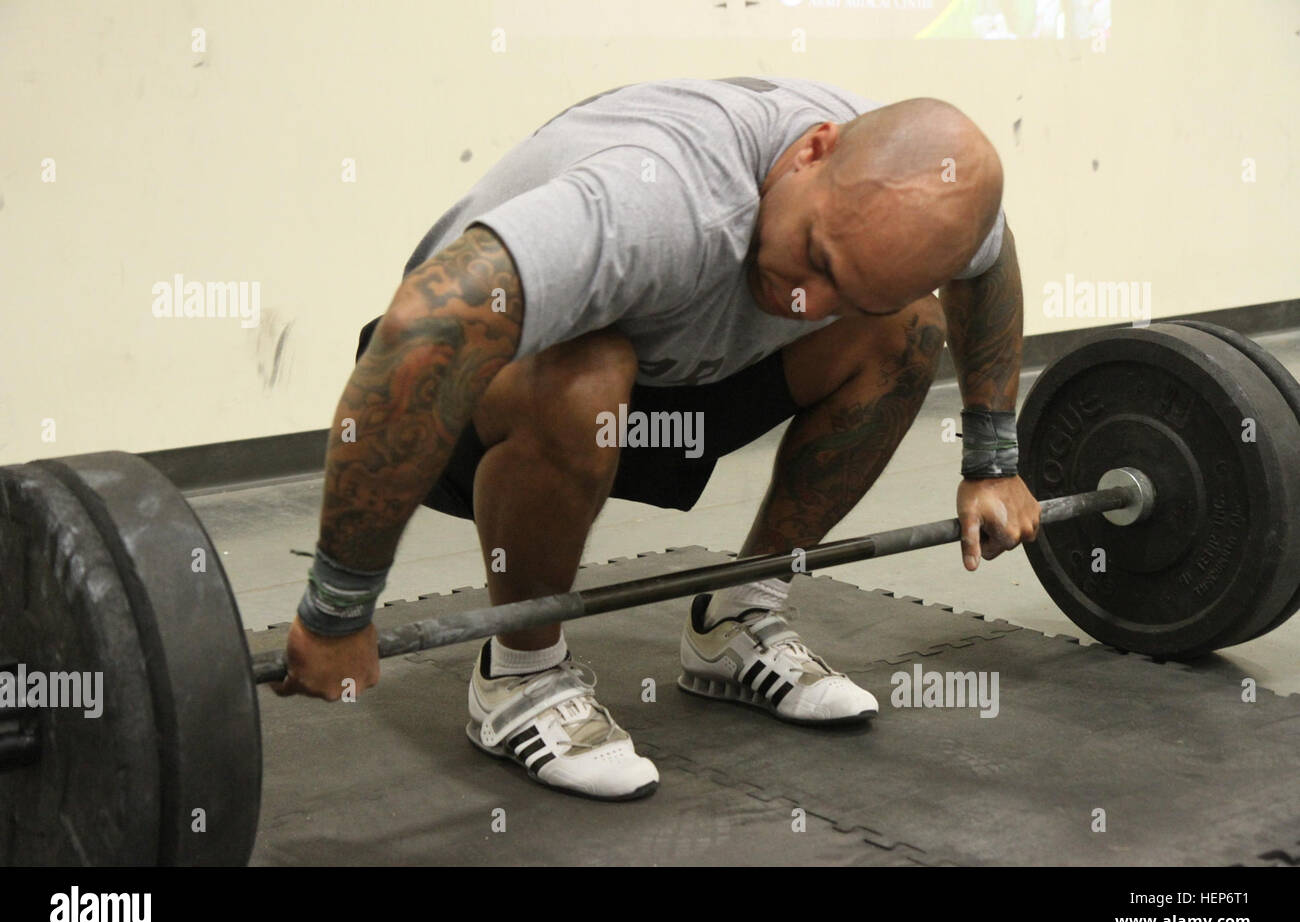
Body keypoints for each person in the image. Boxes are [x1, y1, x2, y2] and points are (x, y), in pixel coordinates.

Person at [272, 77, 1041, 801]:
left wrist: (994, 461)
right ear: (813, 151)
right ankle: (520, 675)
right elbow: (423, 336)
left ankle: (737, 620)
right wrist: (337, 608)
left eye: (847, 288)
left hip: (681, 382)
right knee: (586, 373)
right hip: (478, 402)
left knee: (905, 329)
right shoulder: (654, 201)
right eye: (816, 259)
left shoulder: (915, 198)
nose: (811, 305)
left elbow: (989, 258)